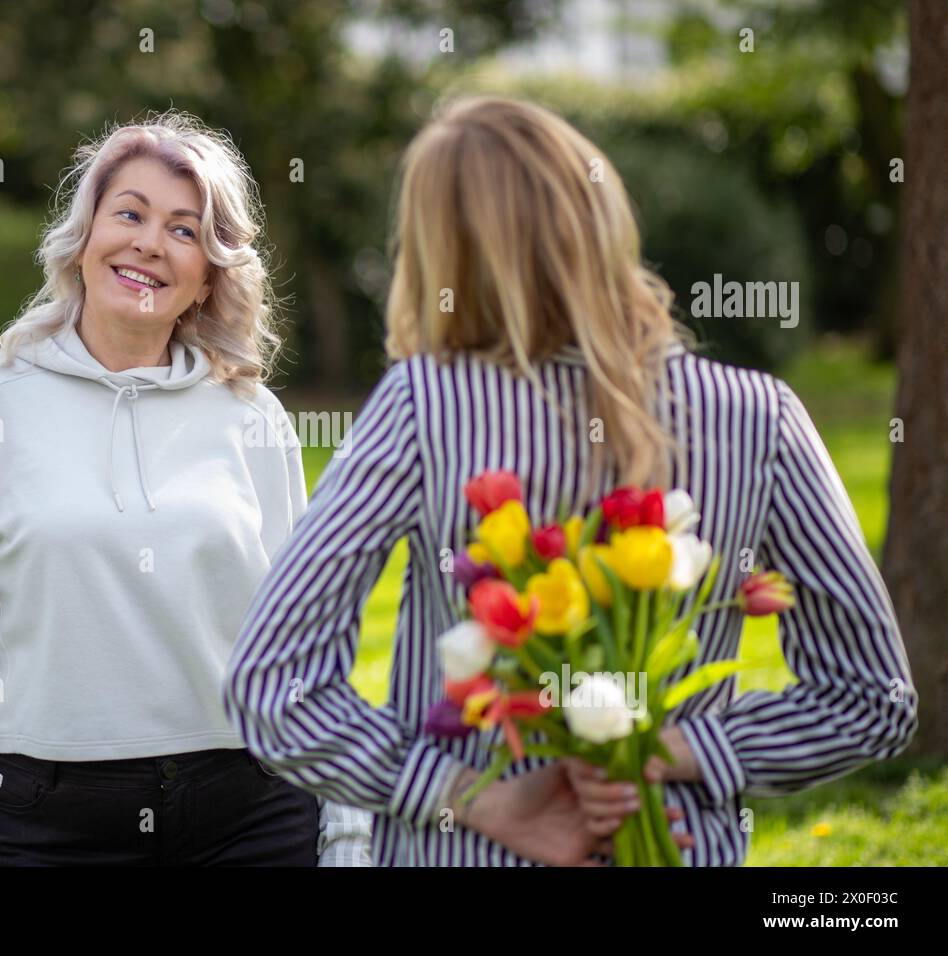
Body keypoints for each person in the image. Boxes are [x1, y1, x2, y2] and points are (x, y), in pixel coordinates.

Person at [223, 96, 918, 866]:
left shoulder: (425, 404)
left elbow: (271, 684)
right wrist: (672, 753)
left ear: (440, 252)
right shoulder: (760, 415)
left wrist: (476, 799)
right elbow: (871, 698)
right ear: (602, 220)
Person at [0, 111, 372, 866]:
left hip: (256, 813)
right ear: (82, 239)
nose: (150, 242)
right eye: (130, 214)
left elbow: (302, 646)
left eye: (184, 229)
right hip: (55, 823)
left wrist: (346, 828)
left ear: (209, 272)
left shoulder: (253, 415)